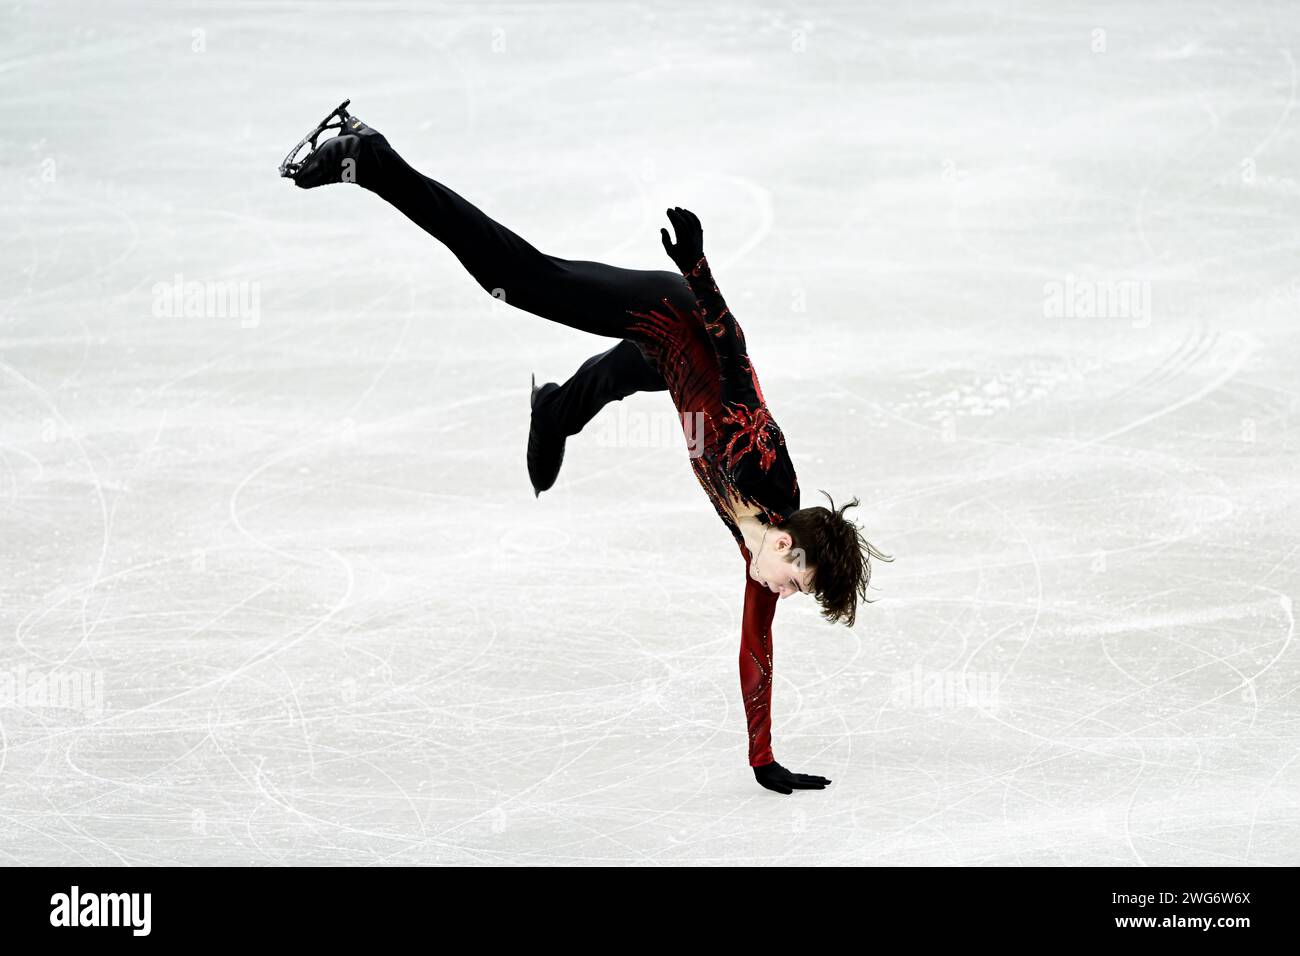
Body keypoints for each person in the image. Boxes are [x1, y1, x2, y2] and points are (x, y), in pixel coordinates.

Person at [281, 102, 893, 794]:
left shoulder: (756, 547)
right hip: (673, 322)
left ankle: (552, 411)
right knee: (516, 279)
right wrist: (697, 267)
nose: (783, 595)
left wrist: (763, 761)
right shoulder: (765, 468)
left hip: (672, 377)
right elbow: (733, 353)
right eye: (795, 584)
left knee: (607, 380)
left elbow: (758, 649)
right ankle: (370, 158)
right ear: (785, 545)